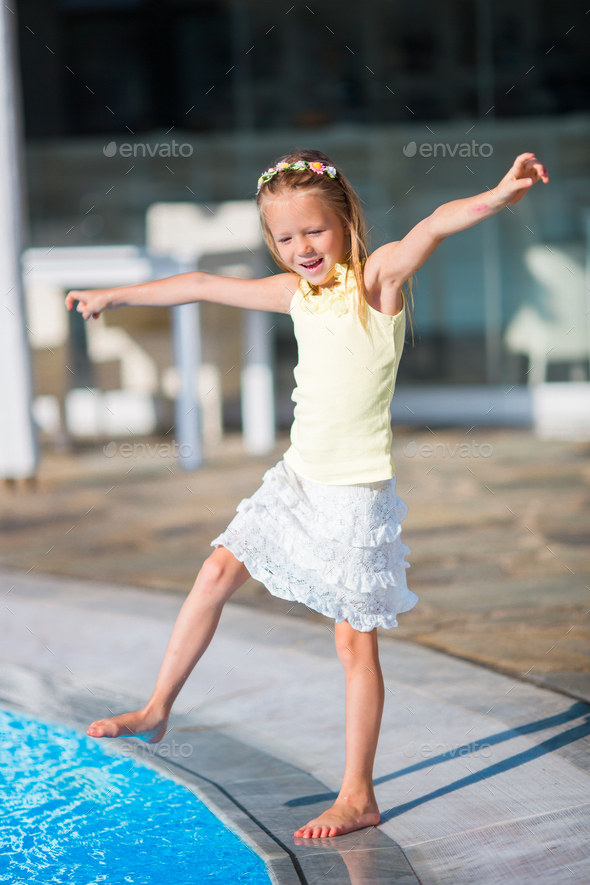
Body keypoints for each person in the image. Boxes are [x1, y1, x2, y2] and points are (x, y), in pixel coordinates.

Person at [65, 148, 549, 839]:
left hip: (353, 497)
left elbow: (433, 226)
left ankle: (358, 794)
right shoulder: (296, 293)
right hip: (295, 481)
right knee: (214, 570)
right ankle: (156, 707)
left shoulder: (374, 282)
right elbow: (202, 282)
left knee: (355, 647)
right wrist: (115, 296)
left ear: (345, 222)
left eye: (314, 232)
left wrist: (499, 195)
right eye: (286, 238)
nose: (302, 248)